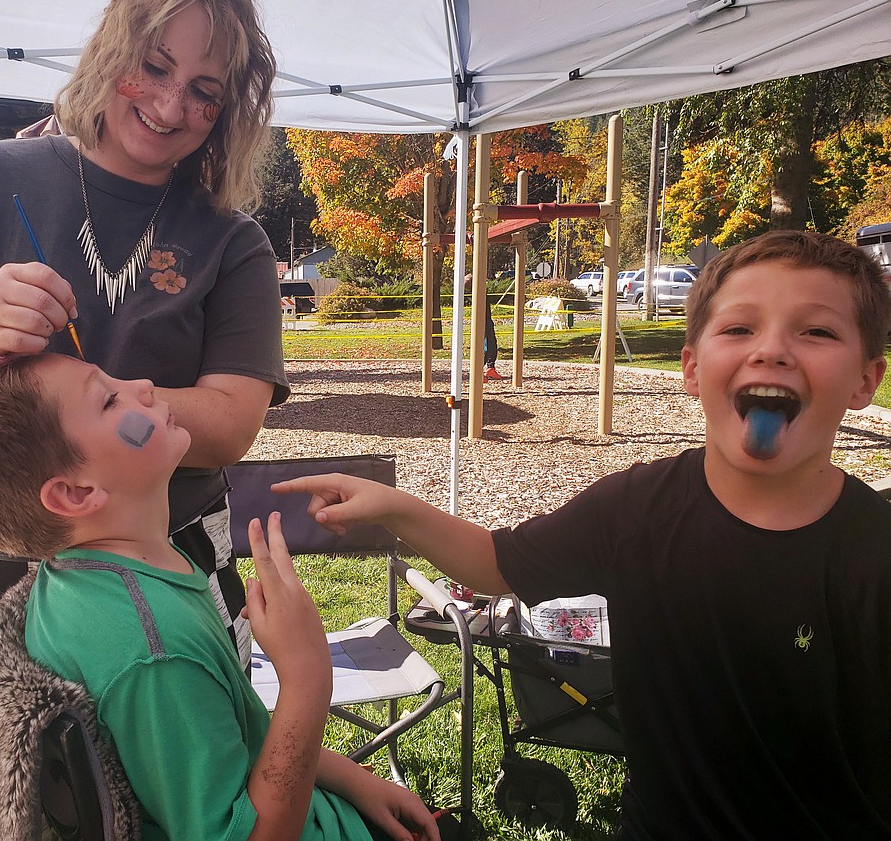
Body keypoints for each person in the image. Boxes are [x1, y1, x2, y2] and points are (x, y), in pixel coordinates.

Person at [275, 230, 891, 838]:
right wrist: (395, 508)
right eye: (739, 328)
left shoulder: (874, 552)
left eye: (816, 331)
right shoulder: (635, 509)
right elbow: (499, 564)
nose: (772, 351)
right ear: (692, 367)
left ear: (867, 381)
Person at [0, 0, 289, 747]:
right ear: (114, 50)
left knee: (190, 791)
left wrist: (83, 403)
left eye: (204, 91)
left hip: (174, 567)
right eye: (154, 66)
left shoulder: (234, 239)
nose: (170, 103)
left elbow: (230, 421)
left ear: (225, 112)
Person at [0, 352, 440, 841]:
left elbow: (249, 735)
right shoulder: (152, 649)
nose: (142, 383)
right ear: (75, 493)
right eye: (109, 398)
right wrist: (306, 679)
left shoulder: (100, 576)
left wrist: (358, 782)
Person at [464, 272, 500, 380]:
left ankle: (490, 367)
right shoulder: (477, 294)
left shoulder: (481, 292)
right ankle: (479, 371)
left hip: (487, 320)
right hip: (483, 322)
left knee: (492, 344)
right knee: (487, 346)